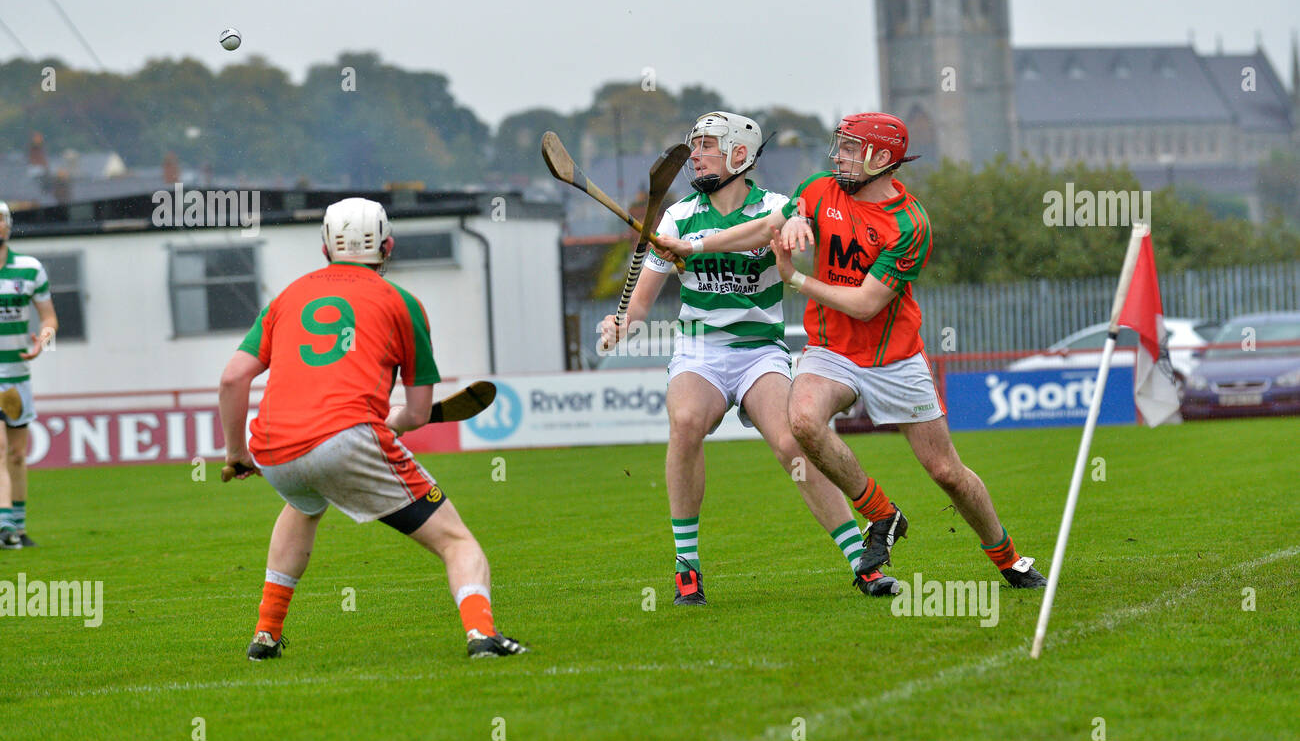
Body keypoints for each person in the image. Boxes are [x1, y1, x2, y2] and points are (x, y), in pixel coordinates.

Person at [602, 112, 899, 605]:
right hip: (700, 351)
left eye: (706, 146)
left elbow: (773, 230)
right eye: (692, 145)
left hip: (760, 351)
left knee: (792, 442)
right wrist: (620, 324)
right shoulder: (676, 217)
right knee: (687, 421)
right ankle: (686, 566)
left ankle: (861, 563)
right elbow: (640, 302)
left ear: (739, 154)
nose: (694, 155)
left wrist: (794, 227)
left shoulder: (777, 208)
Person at [218, 197, 528, 659]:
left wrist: (236, 453)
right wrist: (381, 429)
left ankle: (266, 634)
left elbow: (232, 378)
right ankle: (482, 635)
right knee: (456, 540)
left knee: (303, 507)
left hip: (274, 448)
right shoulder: (403, 304)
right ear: (388, 247)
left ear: (325, 248)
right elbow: (419, 414)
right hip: (346, 439)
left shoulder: (285, 297)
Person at [770, 113, 1046, 589]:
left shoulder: (910, 223)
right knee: (801, 423)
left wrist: (795, 278)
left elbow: (864, 304)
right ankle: (881, 513)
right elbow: (790, 209)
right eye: (841, 146)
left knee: (947, 473)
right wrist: (793, 219)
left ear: (881, 159)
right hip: (830, 350)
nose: (840, 156)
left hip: (895, 360)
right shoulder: (820, 188)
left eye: (852, 149)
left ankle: (1008, 558)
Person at [0, 201, 58, 550]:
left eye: (2, 220)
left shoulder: (29, 269)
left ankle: (16, 528)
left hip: (18, 374)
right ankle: (4, 524)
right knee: (0, 448)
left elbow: (49, 318)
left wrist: (44, 341)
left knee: (18, 455)